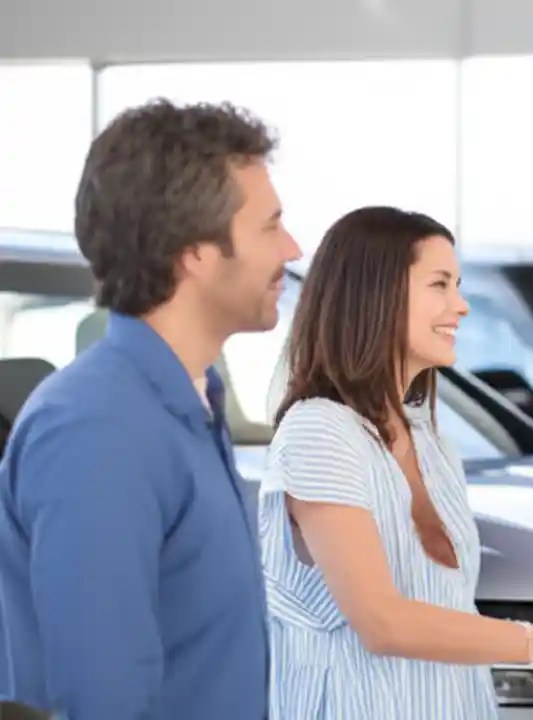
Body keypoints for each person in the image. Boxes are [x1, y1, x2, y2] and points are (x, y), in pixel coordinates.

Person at [261, 206, 533, 718]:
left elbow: (448, 613)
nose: (462, 306)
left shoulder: (428, 438)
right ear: (375, 294)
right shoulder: (320, 430)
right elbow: (384, 623)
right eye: (440, 285)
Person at [0, 99, 302, 718]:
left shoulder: (187, 404)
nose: (292, 249)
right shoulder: (99, 428)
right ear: (194, 252)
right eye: (271, 227)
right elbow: (100, 696)